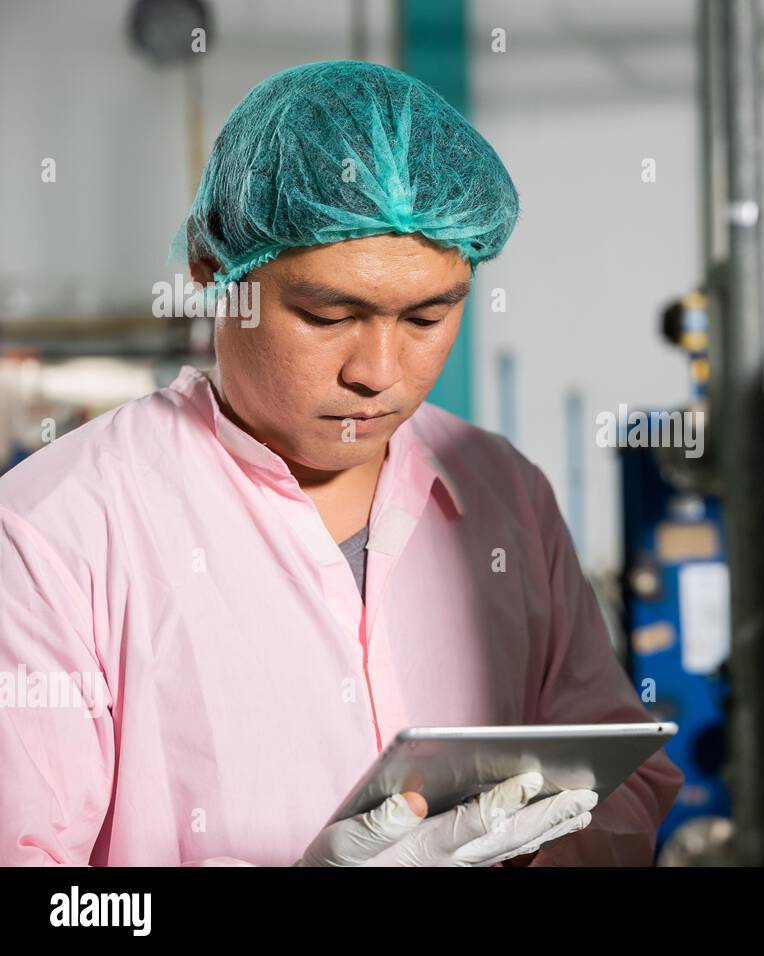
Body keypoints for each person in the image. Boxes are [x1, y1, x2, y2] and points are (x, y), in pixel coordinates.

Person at [0, 61, 682, 866]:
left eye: (429, 315)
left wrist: (536, 853)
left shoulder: (504, 492)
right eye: (328, 314)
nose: (379, 372)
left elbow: (620, 770)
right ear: (213, 274)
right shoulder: (56, 529)